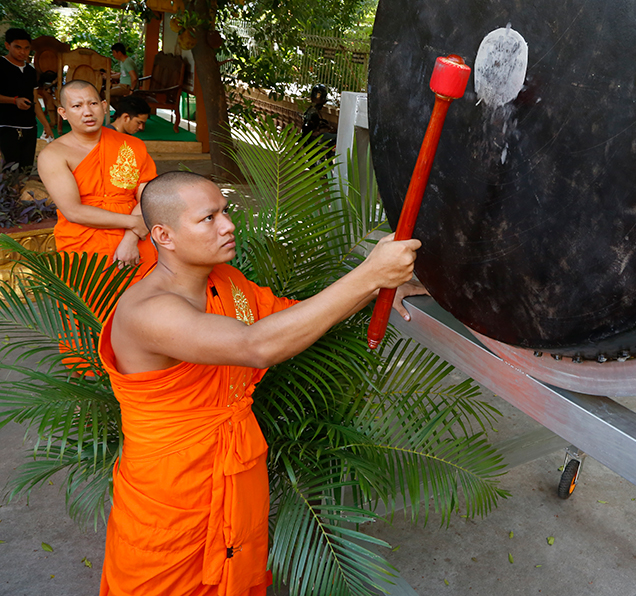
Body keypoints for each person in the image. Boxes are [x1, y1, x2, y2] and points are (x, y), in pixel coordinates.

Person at [98, 170, 424, 595]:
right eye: (209, 218)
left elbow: (294, 317)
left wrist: (377, 288)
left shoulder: (226, 282)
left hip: (236, 465)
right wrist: (367, 275)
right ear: (164, 235)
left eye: (226, 211)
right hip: (173, 487)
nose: (229, 225)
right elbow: (256, 345)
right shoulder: (149, 311)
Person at [38, 79, 156, 270]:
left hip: (136, 241)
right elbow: (73, 211)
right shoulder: (53, 155)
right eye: (77, 106)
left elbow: (149, 197)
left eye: (93, 103)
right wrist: (135, 223)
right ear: (63, 113)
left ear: (103, 106)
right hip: (85, 247)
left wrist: (130, 238)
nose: (87, 112)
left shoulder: (133, 146)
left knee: (145, 297)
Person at [0, 28, 54, 171]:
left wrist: (46, 124)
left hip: (30, 127)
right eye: (18, 47)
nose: (23, 52)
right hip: (6, 126)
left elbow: (34, 99)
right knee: (9, 172)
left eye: (26, 48)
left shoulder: (30, 71)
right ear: (7, 45)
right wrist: (13, 101)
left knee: (26, 170)